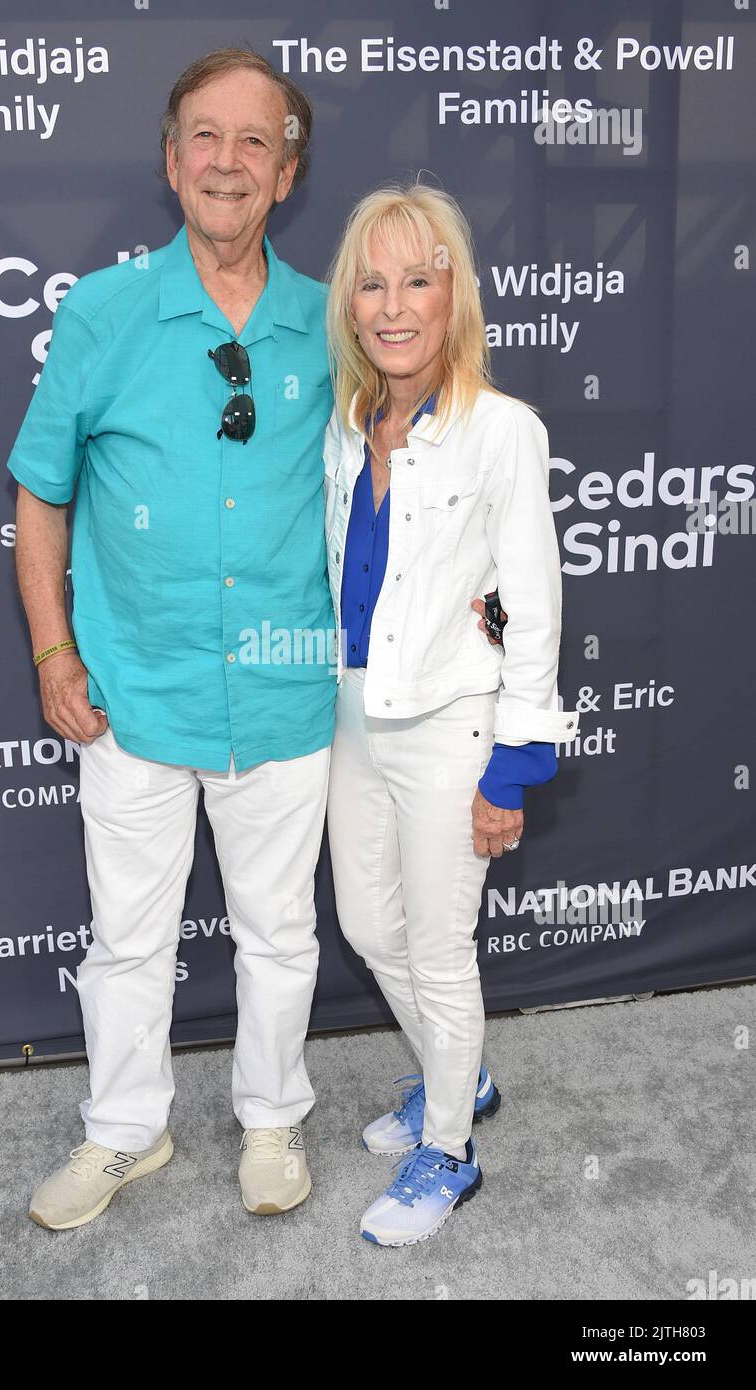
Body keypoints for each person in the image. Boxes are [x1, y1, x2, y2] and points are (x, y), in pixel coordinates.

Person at [7, 48, 338, 1229]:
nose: (227, 163)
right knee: (128, 942)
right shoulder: (101, 313)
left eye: (256, 142)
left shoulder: (332, 322)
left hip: (289, 696)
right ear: (168, 159)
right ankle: (123, 1134)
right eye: (206, 136)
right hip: (132, 698)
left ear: (287, 174)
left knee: (278, 936)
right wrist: (54, 653)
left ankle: (269, 1117)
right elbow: (40, 491)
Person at [322, 181, 580, 1246]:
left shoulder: (500, 431)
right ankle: (456, 1072)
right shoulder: (346, 426)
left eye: (416, 280)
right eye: (371, 283)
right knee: (362, 922)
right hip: (351, 718)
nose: (392, 304)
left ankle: (449, 1152)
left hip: (452, 729)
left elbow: (532, 603)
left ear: (453, 297)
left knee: (437, 947)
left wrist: (509, 769)